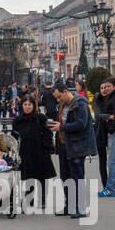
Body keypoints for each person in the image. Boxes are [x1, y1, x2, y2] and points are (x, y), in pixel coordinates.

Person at [49, 81, 96, 219]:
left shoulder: (80, 104)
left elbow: (81, 124)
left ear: (65, 92)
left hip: (77, 145)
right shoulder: (64, 105)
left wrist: (62, 127)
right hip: (64, 145)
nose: (58, 100)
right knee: (65, 177)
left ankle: (80, 208)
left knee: (77, 177)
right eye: (56, 98)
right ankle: (69, 206)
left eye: (59, 97)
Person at [12, 95, 55, 212]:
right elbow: (14, 136)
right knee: (27, 176)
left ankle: (43, 200)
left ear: (33, 106)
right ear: (22, 106)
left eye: (29, 105)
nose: (27, 107)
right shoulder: (18, 120)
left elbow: (48, 133)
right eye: (25, 105)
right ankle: (28, 199)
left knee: (42, 176)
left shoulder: (40, 118)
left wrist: (47, 147)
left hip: (40, 150)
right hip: (25, 151)